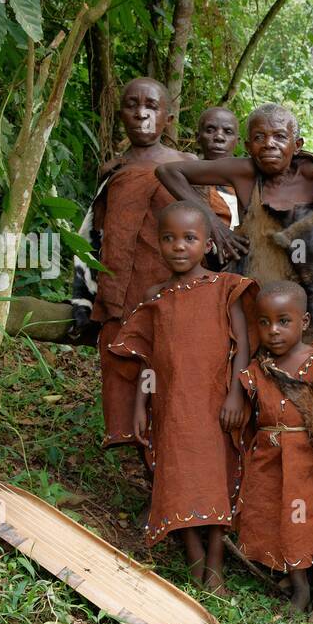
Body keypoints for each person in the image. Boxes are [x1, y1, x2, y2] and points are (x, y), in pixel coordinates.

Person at [69, 78, 232, 450]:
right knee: (129, 375)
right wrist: (85, 299)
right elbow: (94, 235)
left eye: (151, 106)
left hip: (180, 298)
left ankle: (175, 471)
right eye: (132, 105)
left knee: (178, 385)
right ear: (120, 114)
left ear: (167, 118)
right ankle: (144, 462)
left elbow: (221, 227)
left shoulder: (189, 165)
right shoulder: (114, 169)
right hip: (123, 298)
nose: (141, 113)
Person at [107, 201, 257, 591]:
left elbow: (242, 346)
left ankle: (216, 565)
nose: (179, 246)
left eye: (189, 238)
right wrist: (141, 405)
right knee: (176, 476)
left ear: (207, 244)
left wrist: (237, 395)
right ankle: (195, 561)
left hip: (215, 403)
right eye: (169, 238)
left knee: (217, 476)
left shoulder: (226, 287)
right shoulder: (155, 296)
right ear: (158, 243)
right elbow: (147, 359)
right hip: (171, 407)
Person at [156, 103, 313, 353]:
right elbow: (168, 171)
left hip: (306, 295)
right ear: (247, 146)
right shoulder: (243, 172)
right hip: (254, 291)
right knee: (251, 362)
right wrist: (213, 223)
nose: (268, 144)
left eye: (280, 136)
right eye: (259, 137)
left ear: (297, 145)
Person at [236, 280, 313, 624]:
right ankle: (300, 590)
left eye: (284, 321)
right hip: (269, 461)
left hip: (308, 461)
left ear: (304, 322)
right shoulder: (260, 368)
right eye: (265, 322)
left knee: (311, 523)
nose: (273, 331)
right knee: (281, 522)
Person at [194, 105, 241, 231]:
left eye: (228, 132)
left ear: (237, 141)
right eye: (210, 130)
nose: (219, 137)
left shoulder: (251, 180)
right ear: (197, 137)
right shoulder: (185, 179)